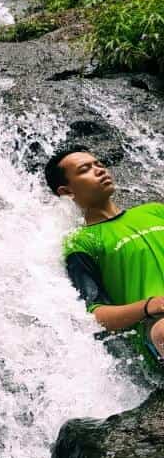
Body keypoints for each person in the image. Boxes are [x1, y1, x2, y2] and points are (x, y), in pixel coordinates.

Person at [44, 146, 164, 364]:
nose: (100, 170)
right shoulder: (80, 242)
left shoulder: (155, 211)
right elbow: (95, 315)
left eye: (99, 164)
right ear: (66, 192)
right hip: (154, 327)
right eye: (85, 169)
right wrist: (149, 305)